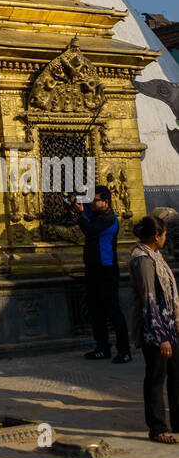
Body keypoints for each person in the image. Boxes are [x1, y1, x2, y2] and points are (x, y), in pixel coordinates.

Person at [129, 215, 179, 444]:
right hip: (155, 330)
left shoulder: (155, 255)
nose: (165, 238)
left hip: (171, 326)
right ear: (155, 236)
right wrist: (161, 337)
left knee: (176, 375)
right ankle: (157, 428)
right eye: (164, 234)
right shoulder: (143, 260)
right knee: (156, 378)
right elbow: (149, 299)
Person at [73, 185, 131, 362]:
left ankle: (124, 350)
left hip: (106, 269)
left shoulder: (108, 219)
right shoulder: (96, 215)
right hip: (93, 268)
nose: (92, 202)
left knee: (113, 310)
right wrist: (81, 193)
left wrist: (81, 214)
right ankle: (102, 347)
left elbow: (89, 230)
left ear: (106, 202)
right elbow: (81, 208)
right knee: (95, 309)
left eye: (96, 200)